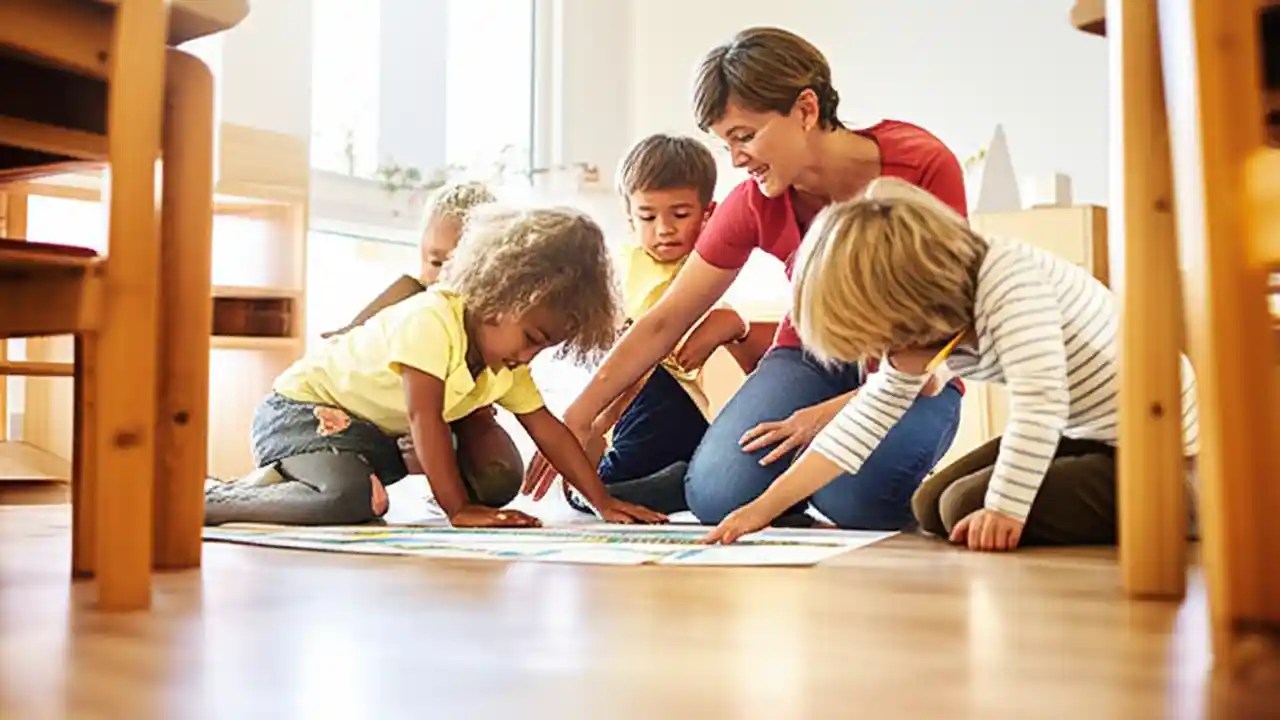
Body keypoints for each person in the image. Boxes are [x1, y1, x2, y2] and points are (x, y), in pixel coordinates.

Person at [527, 26, 965, 530]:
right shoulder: (755, 201)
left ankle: (885, 468)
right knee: (718, 496)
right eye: (725, 142)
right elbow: (666, 320)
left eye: (745, 136)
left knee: (857, 503)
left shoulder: (922, 165)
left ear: (805, 109)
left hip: (912, 371)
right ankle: (775, 483)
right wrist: (578, 419)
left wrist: (819, 418)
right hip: (812, 354)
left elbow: (943, 333)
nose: (735, 159)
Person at [703, 177, 1200, 550]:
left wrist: (1006, 509)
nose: (881, 353)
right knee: (930, 506)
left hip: (1159, 450)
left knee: (967, 505)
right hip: (1086, 431)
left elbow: (1040, 405)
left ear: (911, 303)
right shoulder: (928, 324)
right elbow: (861, 424)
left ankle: (1177, 507)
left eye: (880, 335)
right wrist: (760, 510)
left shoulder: (1010, 282)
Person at [205, 206, 667, 528]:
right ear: (500, 298)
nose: (529, 357)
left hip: (365, 438)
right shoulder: (432, 320)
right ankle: (210, 501)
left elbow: (548, 430)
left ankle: (290, 479)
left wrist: (602, 501)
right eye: (531, 339)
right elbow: (423, 417)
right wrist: (458, 509)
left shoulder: (506, 364)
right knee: (347, 499)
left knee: (368, 497)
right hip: (302, 413)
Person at [565, 133, 751, 515]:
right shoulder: (620, 267)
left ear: (708, 213)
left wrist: (730, 324)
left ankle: (688, 483)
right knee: (593, 486)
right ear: (628, 216)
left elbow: (738, 328)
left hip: (693, 404)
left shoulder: (710, 265)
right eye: (647, 217)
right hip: (632, 403)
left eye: (680, 215)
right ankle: (660, 485)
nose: (664, 228)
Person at [319, 180, 526, 512]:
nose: (446, 279)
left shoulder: (496, 317)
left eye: (462, 267)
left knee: (499, 479)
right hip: (386, 410)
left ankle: (452, 485)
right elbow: (343, 340)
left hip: (458, 414)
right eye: (436, 263)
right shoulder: (413, 297)